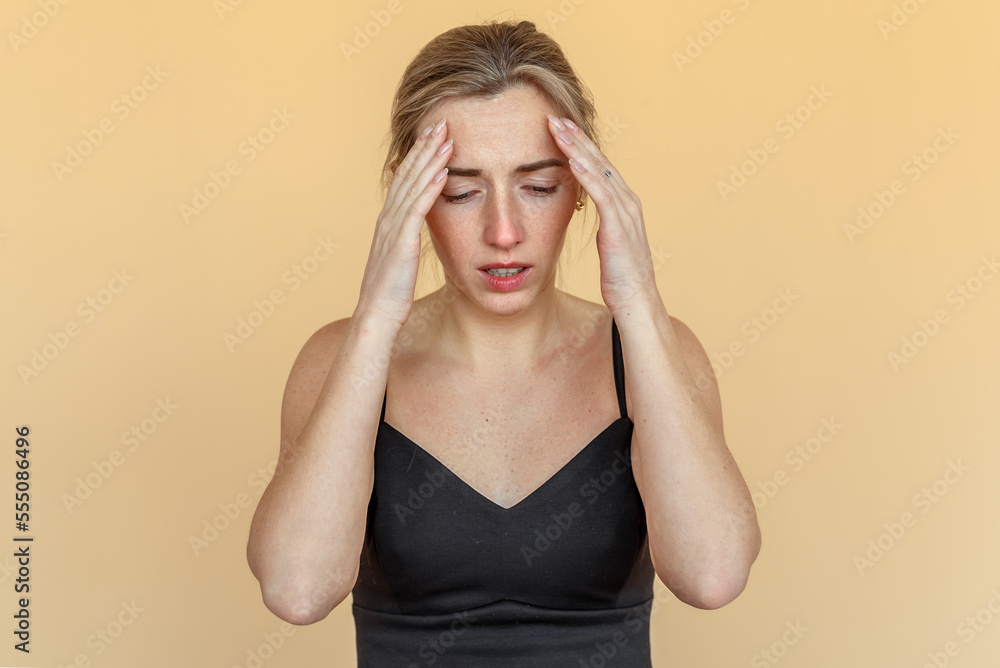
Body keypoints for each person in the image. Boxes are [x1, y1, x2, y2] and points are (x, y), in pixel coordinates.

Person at [246, 18, 761, 665]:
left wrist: (639, 303)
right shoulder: (337, 358)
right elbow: (297, 590)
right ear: (413, 197)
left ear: (582, 189)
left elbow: (713, 576)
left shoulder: (652, 351)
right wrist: (376, 318)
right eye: (462, 191)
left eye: (539, 186)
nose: (504, 230)